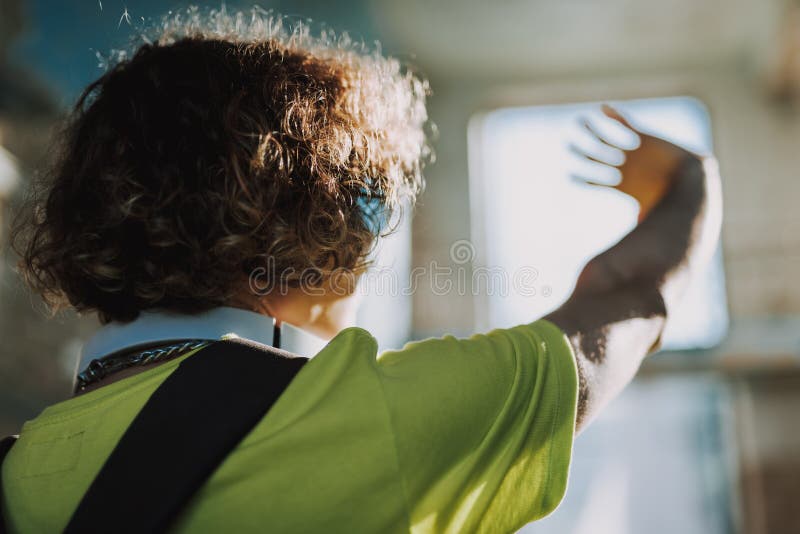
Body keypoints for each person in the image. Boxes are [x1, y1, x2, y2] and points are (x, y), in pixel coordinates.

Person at [1, 9, 721, 533]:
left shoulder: (18, 474)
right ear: (306, 221)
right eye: (365, 205)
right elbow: (632, 299)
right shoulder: (377, 421)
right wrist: (693, 183)